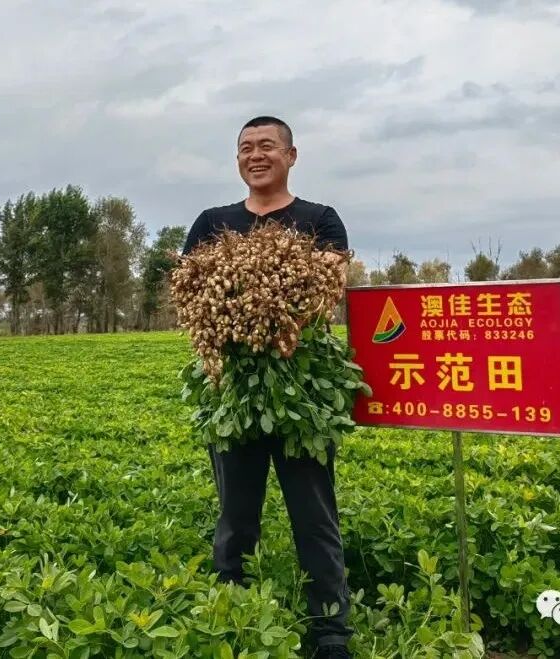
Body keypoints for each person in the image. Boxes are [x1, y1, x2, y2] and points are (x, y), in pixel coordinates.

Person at [180, 116, 353, 659]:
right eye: (245, 148)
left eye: (267, 146)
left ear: (291, 155)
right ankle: (232, 616)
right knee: (235, 516)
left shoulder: (320, 220)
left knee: (315, 515)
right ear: (237, 158)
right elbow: (192, 290)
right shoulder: (212, 222)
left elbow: (325, 288)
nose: (255, 155)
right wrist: (256, 295)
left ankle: (331, 631)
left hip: (302, 391)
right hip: (233, 390)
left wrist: (252, 291)